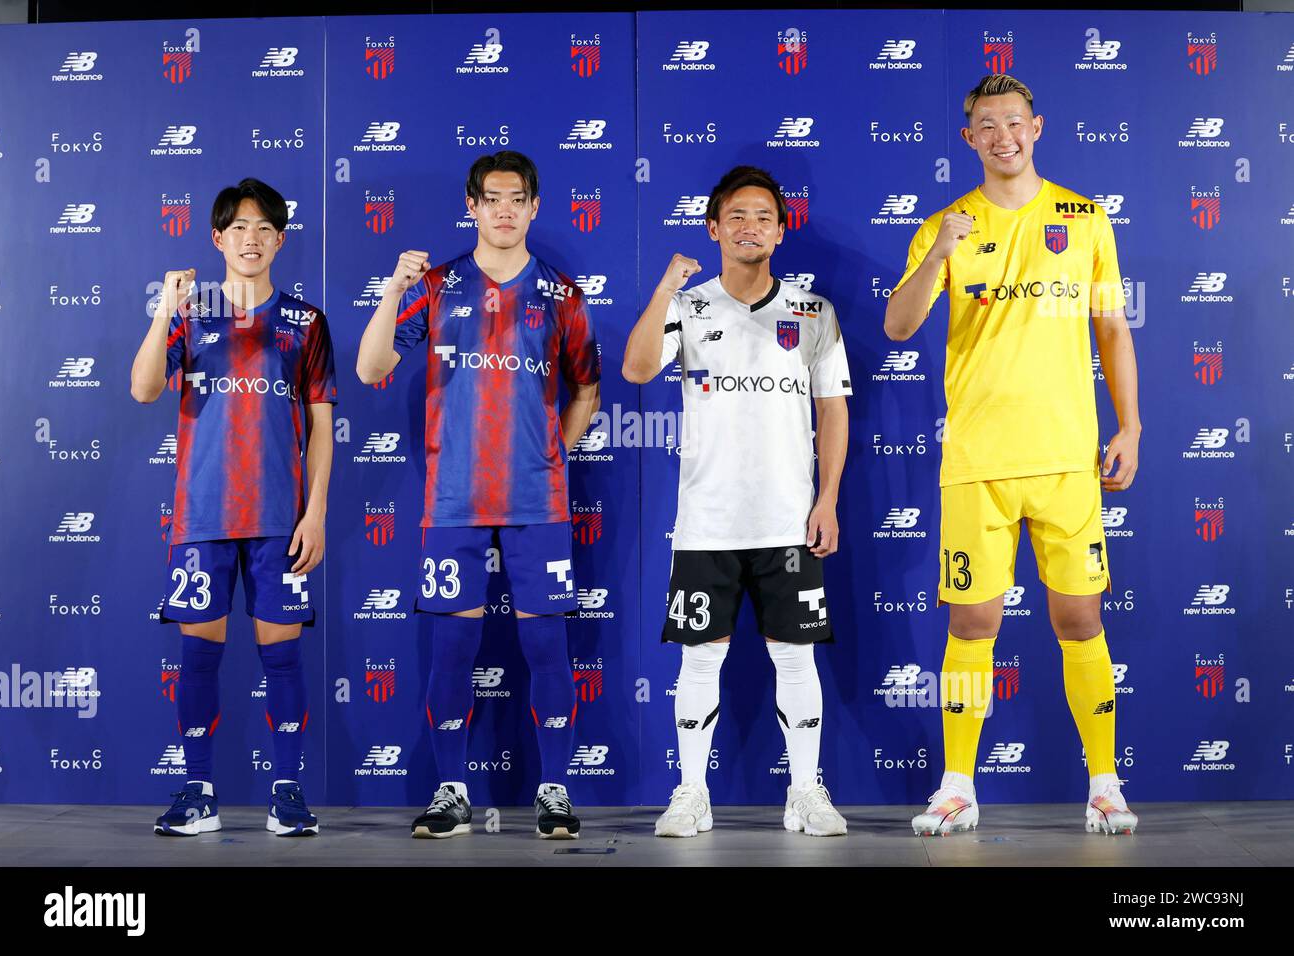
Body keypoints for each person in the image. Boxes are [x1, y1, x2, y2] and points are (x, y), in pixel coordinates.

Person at [885, 74, 1141, 836]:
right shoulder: (944, 224)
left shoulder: (1084, 218)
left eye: (1014, 123)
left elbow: (1113, 333)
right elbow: (898, 326)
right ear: (969, 139)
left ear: (1037, 127)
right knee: (972, 625)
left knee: (1079, 616)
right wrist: (938, 257)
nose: (1003, 136)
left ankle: (1104, 783)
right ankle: (958, 786)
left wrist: (1128, 427)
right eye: (986, 126)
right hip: (978, 462)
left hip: (1067, 457)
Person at [356, 151, 601, 840]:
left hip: (537, 503)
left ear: (534, 207)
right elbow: (373, 367)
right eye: (490, 198)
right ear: (471, 206)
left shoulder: (560, 294)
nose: (503, 210)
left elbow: (587, 387)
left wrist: (555, 453)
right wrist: (388, 291)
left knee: (549, 647)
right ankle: (452, 792)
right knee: (452, 652)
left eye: (515, 199)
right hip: (455, 501)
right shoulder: (434, 285)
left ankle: (554, 789)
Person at [623, 166, 852, 838]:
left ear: (782, 230)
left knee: (795, 658)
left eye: (763, 216)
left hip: (787, 517)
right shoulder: (690, 307)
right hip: (707, 522)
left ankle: (805, 790)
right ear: (714, 227)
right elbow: (638, 369)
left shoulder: (812, 312)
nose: (750, 226)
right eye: (738, 216)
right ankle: (690, 792)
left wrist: (829, 497)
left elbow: (832, 410)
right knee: (699, 659)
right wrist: (667, 287)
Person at [131, 177, 336, 837]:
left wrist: (317, 512)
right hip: (204, 516)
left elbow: (323, 426)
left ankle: (288, 792)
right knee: (199, 655)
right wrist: (165, 308)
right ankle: (198, 792)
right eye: (239, 228)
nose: (252, 239)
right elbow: (141, 389)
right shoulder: (190, 315)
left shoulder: (305, 322)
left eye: (264, 229)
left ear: (280, 238)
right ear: (218, 238)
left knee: (282, 655)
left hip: (280, 517)